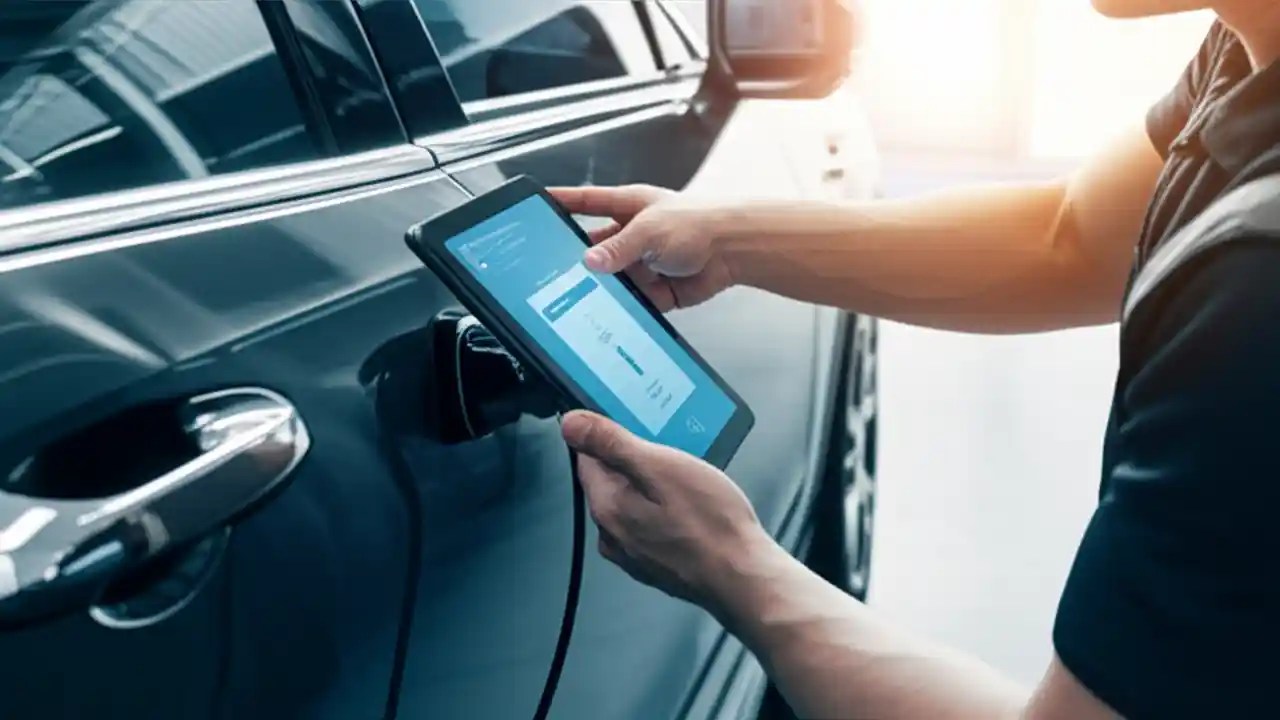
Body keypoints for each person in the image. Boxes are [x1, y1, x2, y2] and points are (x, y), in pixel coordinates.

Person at [548, 1, 1280, 717]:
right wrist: (727, 241)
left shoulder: (1256, 284)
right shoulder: (1247, 49)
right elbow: (1070, 240)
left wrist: (732, 566)